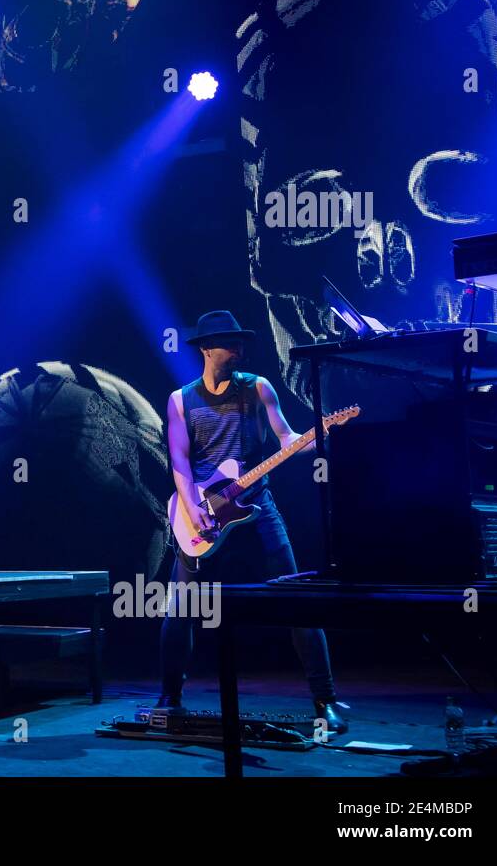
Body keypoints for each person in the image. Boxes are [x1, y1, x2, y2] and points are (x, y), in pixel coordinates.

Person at [160, 310, 347, 733]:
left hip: (256, 502)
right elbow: (180, 463)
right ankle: (169, 697)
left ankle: (326, 699)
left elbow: (285, 440)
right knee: (181, 608)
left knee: (297, 598)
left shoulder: (258, 388)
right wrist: (194, 513)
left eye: (240, 342)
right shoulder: (179, 400)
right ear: (207, 349)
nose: (238, 349)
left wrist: (319, 435)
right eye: (229, 343)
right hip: (201, 512)